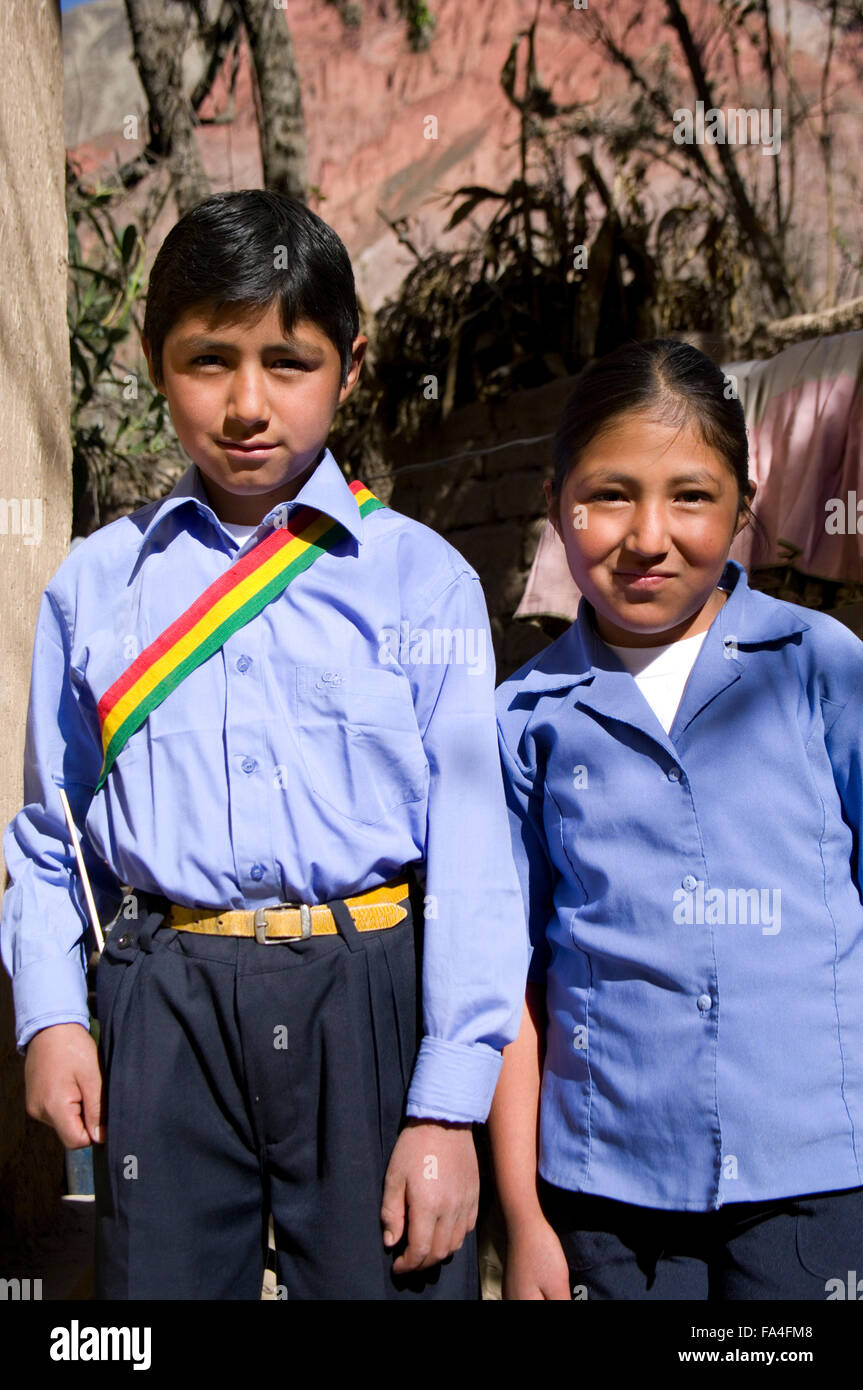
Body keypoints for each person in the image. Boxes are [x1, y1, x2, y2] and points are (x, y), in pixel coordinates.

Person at [1, 190, 527, 1300]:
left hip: (369, 995)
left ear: (349, 362)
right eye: (208, 360)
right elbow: (53, 835)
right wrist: (52, 1014)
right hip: (166, 1000)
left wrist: (445, 1105)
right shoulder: (97, 587)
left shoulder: (418, 577)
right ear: (153, 361)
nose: (247, 405)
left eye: (288, 361)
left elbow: (477, 856)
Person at [491, 337, 863, 1301]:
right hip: (608, 1196)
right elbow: (507, 984)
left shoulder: (820, 668)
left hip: (813, 1183)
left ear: (745, 505)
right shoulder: (525, 720)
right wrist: (527, 1222)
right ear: (554, 505)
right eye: (610, 494)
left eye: (691, 496)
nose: (647, 535)